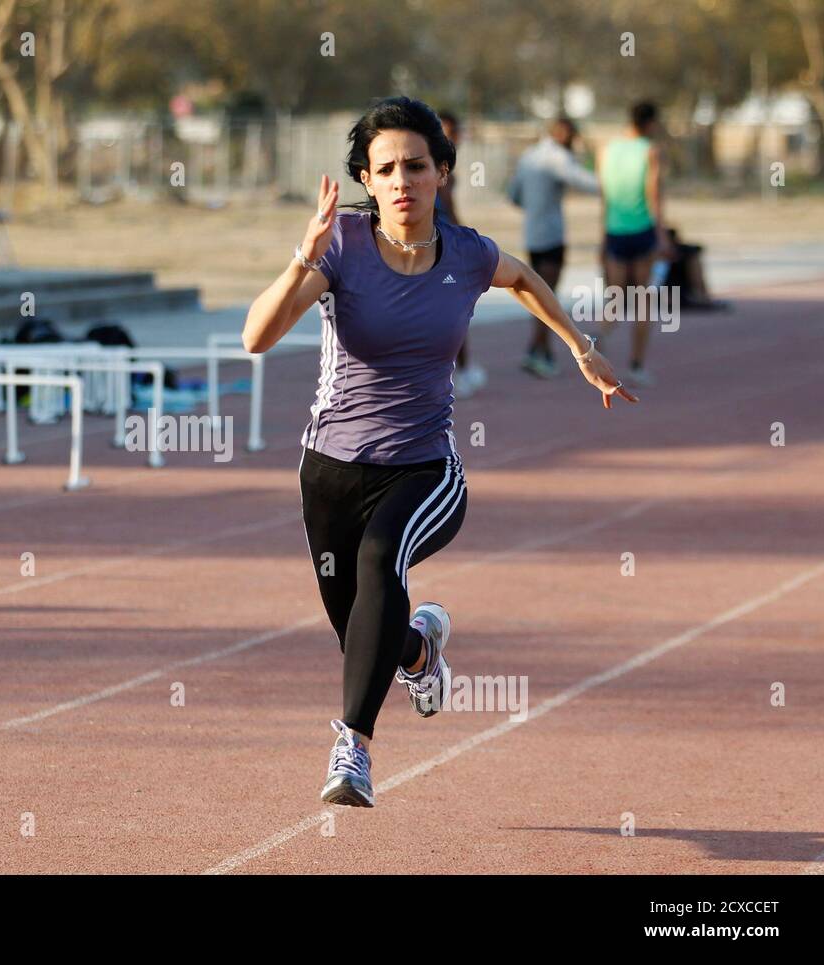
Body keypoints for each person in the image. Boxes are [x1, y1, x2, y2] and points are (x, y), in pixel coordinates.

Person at [241, 96, 636, 808]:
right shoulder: (341, 247)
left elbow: (521, 277)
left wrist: (583, 348)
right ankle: (421, 650)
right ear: (366, 177)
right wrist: (304, 251)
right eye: (385, 168)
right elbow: (256, 338)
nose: (401, 181)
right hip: (328, 471)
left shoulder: (468, 253)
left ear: (442, 172)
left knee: (377, 562)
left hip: (424, 470)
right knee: (365, 624)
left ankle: (352, 749)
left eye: (416, 166)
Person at [506, 117, 602, 377]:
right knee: (546, 299)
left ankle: (544, 352)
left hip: (531, 236)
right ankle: (534, 350)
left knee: (539, 294)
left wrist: (534, 204)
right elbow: (587, 182)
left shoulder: (529, 156)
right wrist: (614, 185)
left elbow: (513, 194)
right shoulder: (558, 156)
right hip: (552, 236)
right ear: (563, 133)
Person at [598, 101, 674, 387]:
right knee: (643, 300)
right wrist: (662, 235)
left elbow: (604, 196)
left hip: (614, 231)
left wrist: (603, 236)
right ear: (651, 123)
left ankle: (594, 350)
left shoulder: (607, 150)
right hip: (642, 230)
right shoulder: (651, 151)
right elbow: (653, 194)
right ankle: (637, 366)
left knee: (615, 300)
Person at [434, 110, 487, 398]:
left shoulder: (442, 170)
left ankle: (459, 371)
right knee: (456, 309)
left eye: (455, 133)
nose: (453, 138)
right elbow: (450, 212)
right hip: (437, 248)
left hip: (440, 245)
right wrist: (465, 240)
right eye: (447, 133)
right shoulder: (437, 170)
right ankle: (461, 373)